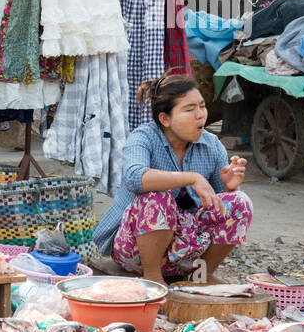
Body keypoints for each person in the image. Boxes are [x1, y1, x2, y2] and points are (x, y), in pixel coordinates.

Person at [93, 73, 252, 284]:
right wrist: (191, 178)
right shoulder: (143, 137)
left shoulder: (212, 144)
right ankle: (153, 278)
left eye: (202, 107)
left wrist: (228, 188)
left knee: (241, 203)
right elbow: (134, 177)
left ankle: (203, 274)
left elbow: (214, 207)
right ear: (165, 119)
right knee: (157, 197)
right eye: (189, 109)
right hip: (134, 249)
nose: (200, 115)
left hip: (187, 248)